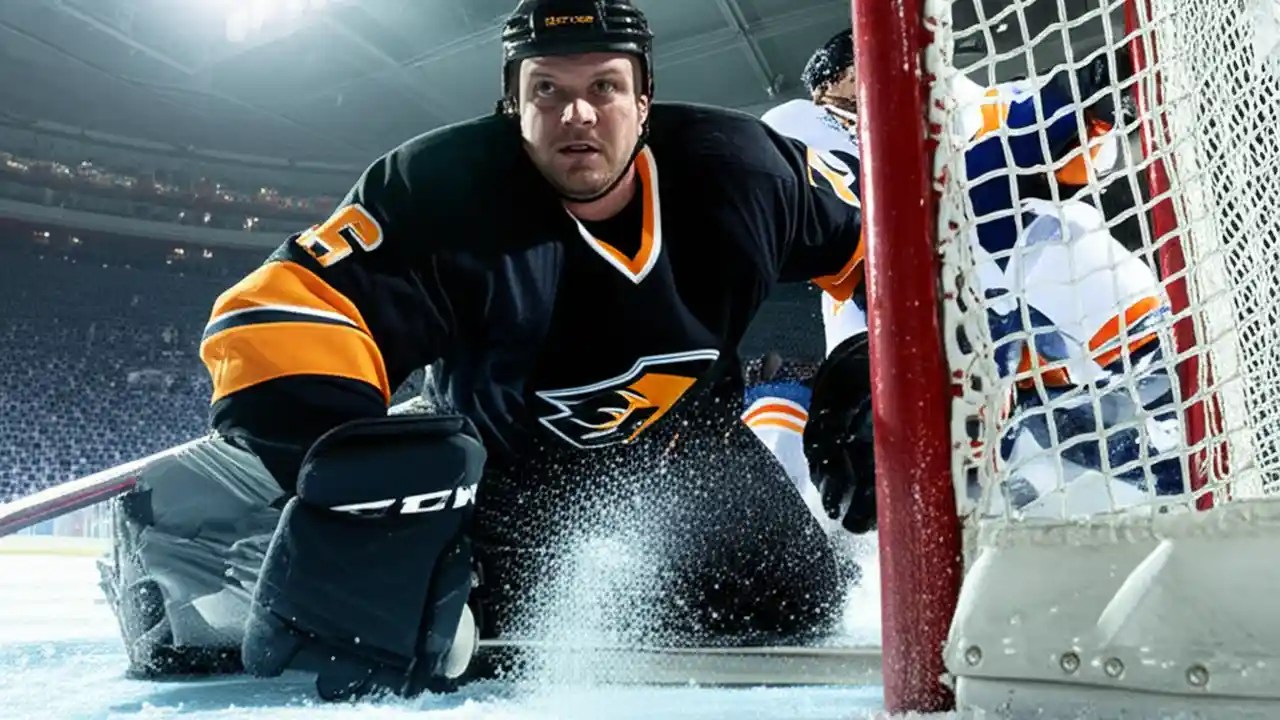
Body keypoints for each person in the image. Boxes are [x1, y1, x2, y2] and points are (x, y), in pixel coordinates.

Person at [98, 0, 868, 702]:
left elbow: (888, 258)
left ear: (644, 100)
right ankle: (213, 531)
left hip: (687, 451)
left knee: (799, 605)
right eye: (546, 91)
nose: (577, 113)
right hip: (504, 472)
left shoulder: (744, 171)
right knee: (422, 637)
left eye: (604, 87)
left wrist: (874, 366)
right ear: (513, 104)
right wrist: (347, 471)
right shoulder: (440, 189)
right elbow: (279, 307)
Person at [762, 30, 1182, 530]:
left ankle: (1164, 418)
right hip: (888, 322)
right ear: (836, 80)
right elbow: (895, 207)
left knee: (1066, 241)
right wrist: (1053, 112)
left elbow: (1060, 154)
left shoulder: (963, 100)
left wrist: (1088, 97)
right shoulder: (805, 121)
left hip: (1032, 312)